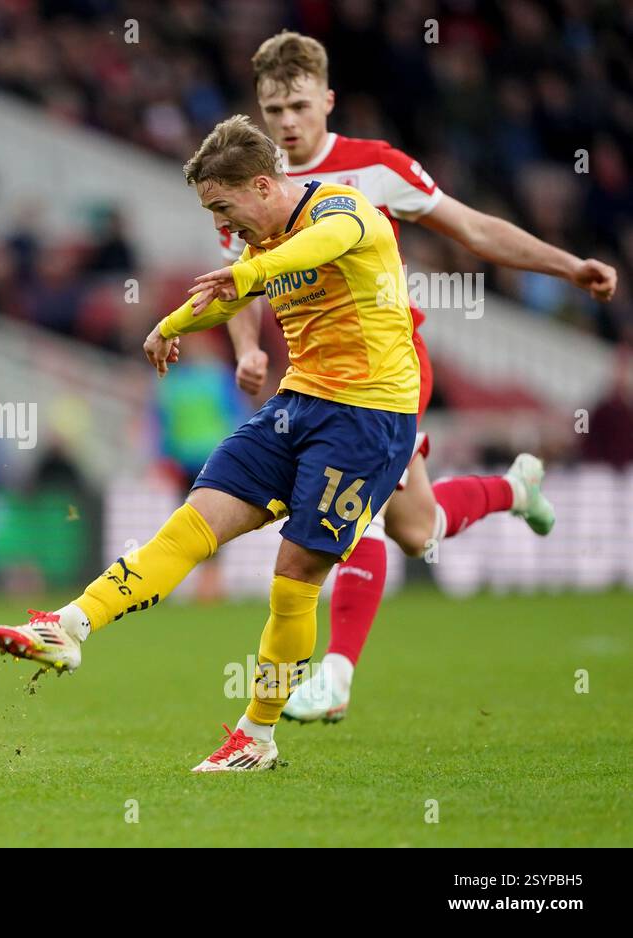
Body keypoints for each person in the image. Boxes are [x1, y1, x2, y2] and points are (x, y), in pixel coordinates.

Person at [0, 114, 420, 771]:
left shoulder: (340, 208)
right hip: (299, 404)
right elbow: (227, 295)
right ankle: (69, 627)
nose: (223, 224)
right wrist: (169, 325)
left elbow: (323, 246)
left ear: (261, 185)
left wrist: (252, 274)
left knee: (294, 579)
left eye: (224, 206)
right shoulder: (263, 246)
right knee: (193, 523)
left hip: (367, 419)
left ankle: (257, 735)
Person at [226, 32, 618, 722]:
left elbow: (474, 229)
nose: (286, 122)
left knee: (357, 504)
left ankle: (336, 678)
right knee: (421, 528)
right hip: (319, 373)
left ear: (327, 100)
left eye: (296, 104)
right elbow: (238, 288)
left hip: (391, 368)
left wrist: (567, 266)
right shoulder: (256, 186)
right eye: (272, 108)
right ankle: (512, 488)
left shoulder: (375, 168)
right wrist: (244, 349)